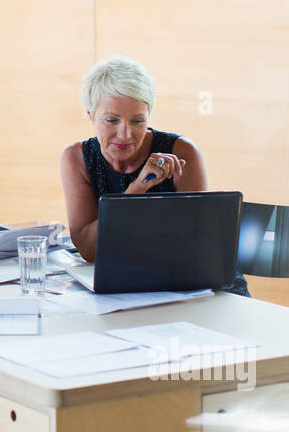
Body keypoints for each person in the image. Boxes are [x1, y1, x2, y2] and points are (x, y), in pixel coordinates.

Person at [59, 55, 250, 295]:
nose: (125, 134)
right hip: (128, 288)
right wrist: (137, 189)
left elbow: (198, 248)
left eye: (138, 121)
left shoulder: (182, 152)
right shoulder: (76, 158)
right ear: (89, 114)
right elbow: (88, 250)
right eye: (111, 120)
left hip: (191, 286)